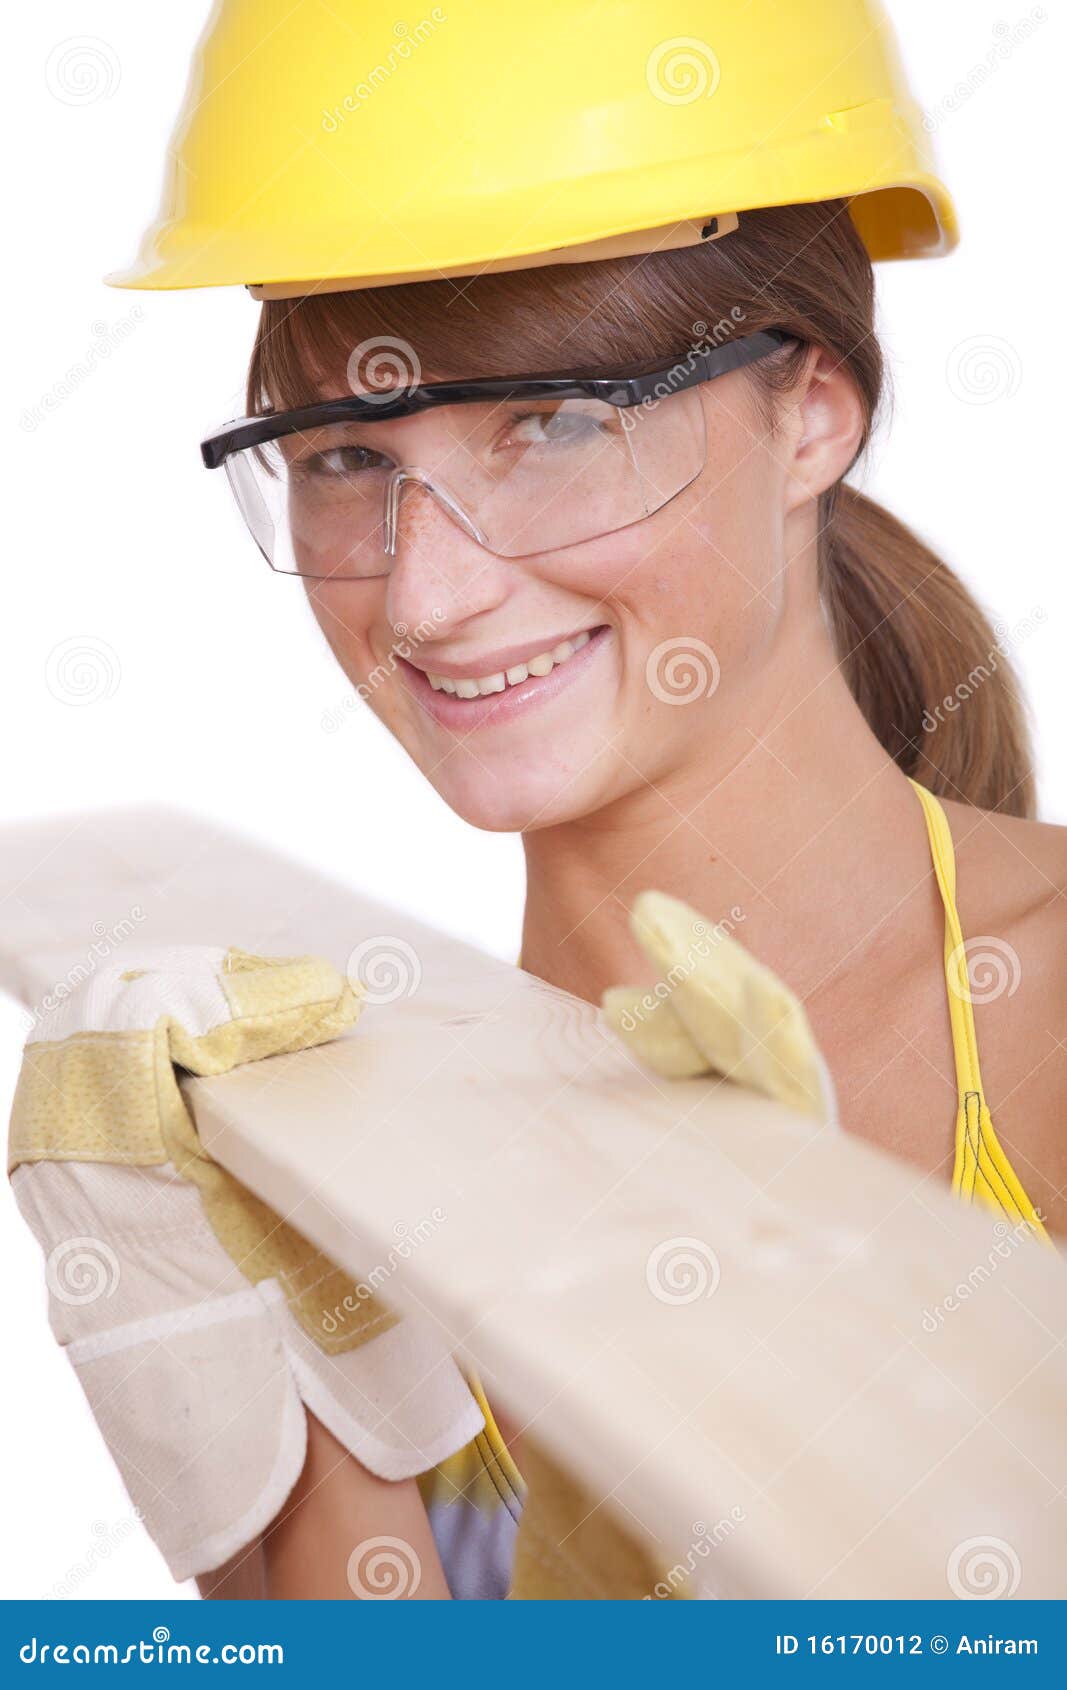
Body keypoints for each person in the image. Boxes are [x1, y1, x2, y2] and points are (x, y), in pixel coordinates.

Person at [11, 0, 1065, 1601]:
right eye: (346, 455)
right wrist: (291, 1433)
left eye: (557, 425)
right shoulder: (346, 1146)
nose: (426, 598)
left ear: (818, 413)